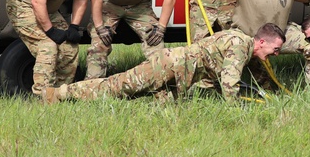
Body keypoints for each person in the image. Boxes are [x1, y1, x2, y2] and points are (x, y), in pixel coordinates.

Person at [43, 23, 286, 104]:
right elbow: (229, 83)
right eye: (275, 49)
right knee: (116, 87)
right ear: (262, 41)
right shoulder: (240, 46)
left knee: (159, 112)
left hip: (175, 75)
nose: (276, 54)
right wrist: (236, 114)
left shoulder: (240, 40)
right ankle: (59, 94)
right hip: (169, 67)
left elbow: (219, 73)